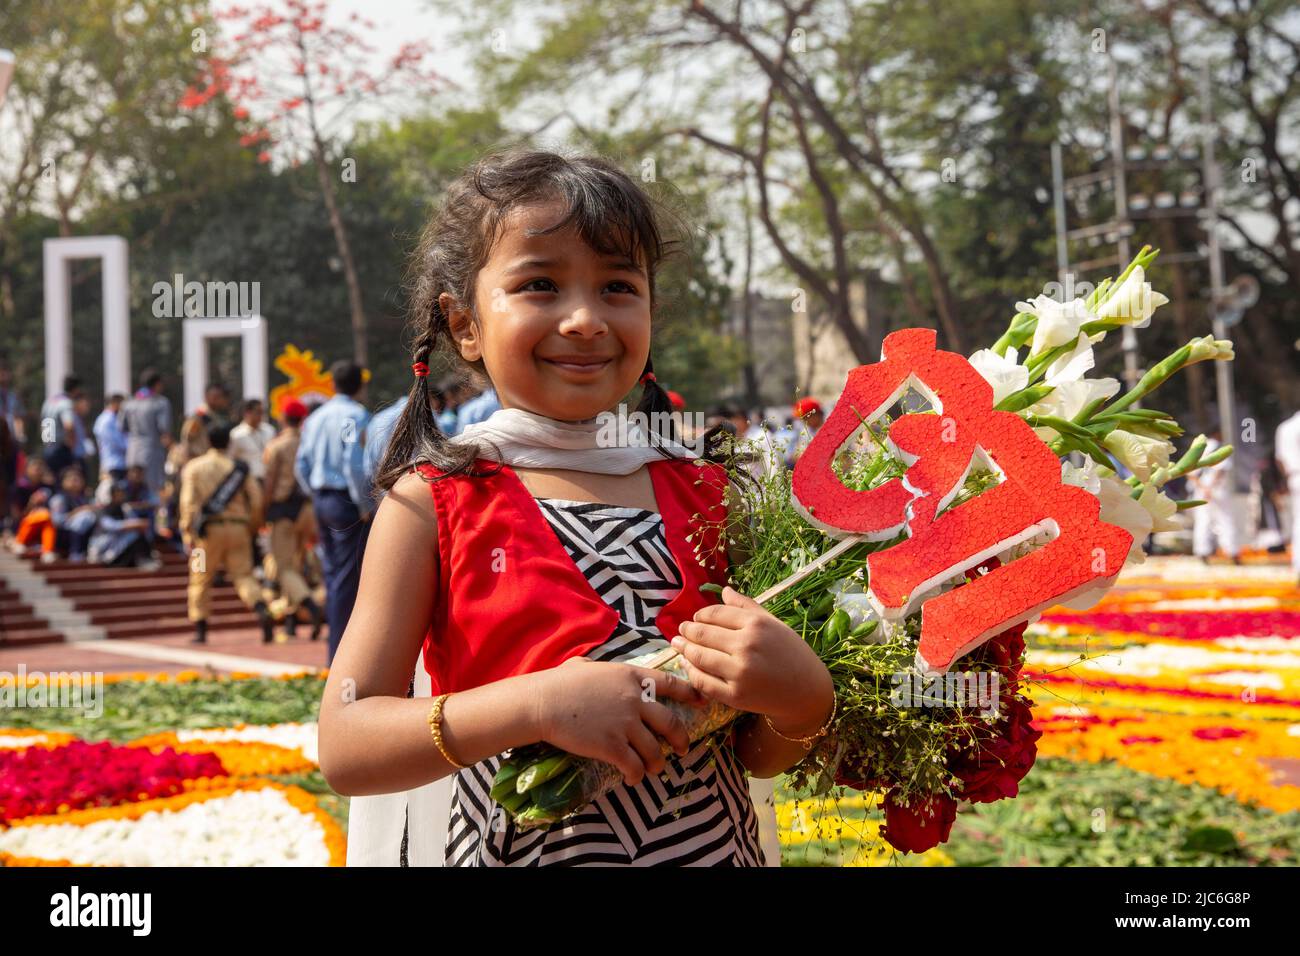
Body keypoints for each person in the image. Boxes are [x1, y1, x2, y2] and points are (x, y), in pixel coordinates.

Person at [317, 150, 828, 867]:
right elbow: (346, 741)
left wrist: (803, 703)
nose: (585, 319)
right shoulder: (433, 501)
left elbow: (752, 753)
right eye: (540, 285)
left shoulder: (713, 494)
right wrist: (537, 706)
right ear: (463, 324)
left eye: (618, 286)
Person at [294, 360, 371, 661]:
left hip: (322, 499)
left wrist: (314, 492)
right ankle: (340, 654)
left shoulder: (315, 418)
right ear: (360, 385)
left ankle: (335, 650)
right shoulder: (354, 415)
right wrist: (363, 503)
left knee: (332, 573)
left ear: (333, 384)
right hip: (344, 500)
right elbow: (353, 464)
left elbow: (301, 463)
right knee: (347, 577)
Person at [179, 422, 275, 644]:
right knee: (244, 576)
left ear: (207, 441)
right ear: (229, 443)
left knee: (200, 578)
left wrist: (188, 532)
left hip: (206, 535)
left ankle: (201, 629)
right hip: (238, 529)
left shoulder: (194, 467)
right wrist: (251, 526)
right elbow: (256, 499)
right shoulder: (239, 468)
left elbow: (188, 504)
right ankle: (261, 608)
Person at [262, 398, 323, 640]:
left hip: (284, 510)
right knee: (296, 565)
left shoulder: (277, 446)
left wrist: (263, 510)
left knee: (284, 566)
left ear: (283, 418)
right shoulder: (310, 442)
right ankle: (290, 620)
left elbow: (269, 482)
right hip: (308, 509)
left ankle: (309, 604)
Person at [1189, 430, 1242, 565]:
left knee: (1203, 520)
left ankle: (1202, 552)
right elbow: (1220, 470)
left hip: (1201, 490)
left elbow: (1190, 473)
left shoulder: (1196, 450)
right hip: (1217, 489)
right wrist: (1210, 488)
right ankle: (1232, 552)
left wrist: (1202, 488)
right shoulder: (1219, 447)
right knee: (1225, 520)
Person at [121, 369, 173, 495]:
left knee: (133, 491)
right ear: (157, 384)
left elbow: (122, 427)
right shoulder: (160, 403)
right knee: (153, 491)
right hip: (152, 452)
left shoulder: (128, 404)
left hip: (132, 453)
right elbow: (164, 428)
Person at [39, 376, 92, 476]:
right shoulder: (66, 403)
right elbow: (69, 426)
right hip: (62, 450)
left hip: (49, 448)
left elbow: (44, 424)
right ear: (76, 389)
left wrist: (48, 444)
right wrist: (71, 449)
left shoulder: (49, 401)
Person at [1276, 409, 1300, 584]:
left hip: (1294, 476)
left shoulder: (1284, 427)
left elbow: (1280, 460)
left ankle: (1298, 565)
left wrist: (1286, 481)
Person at [230, 398, 276, 481]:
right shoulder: (236, 435)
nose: (261, 415)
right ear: (247, 413)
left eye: (262, 412)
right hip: (249, 481)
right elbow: (231, 459)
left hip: (268, 479)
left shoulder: (269, 430)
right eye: (258, 412)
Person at [93, 393, 129, 484]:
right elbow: (116, 442)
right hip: (113, 463)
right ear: (115, 403)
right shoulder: (106, 420)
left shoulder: (114, 417)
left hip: (119, 462)